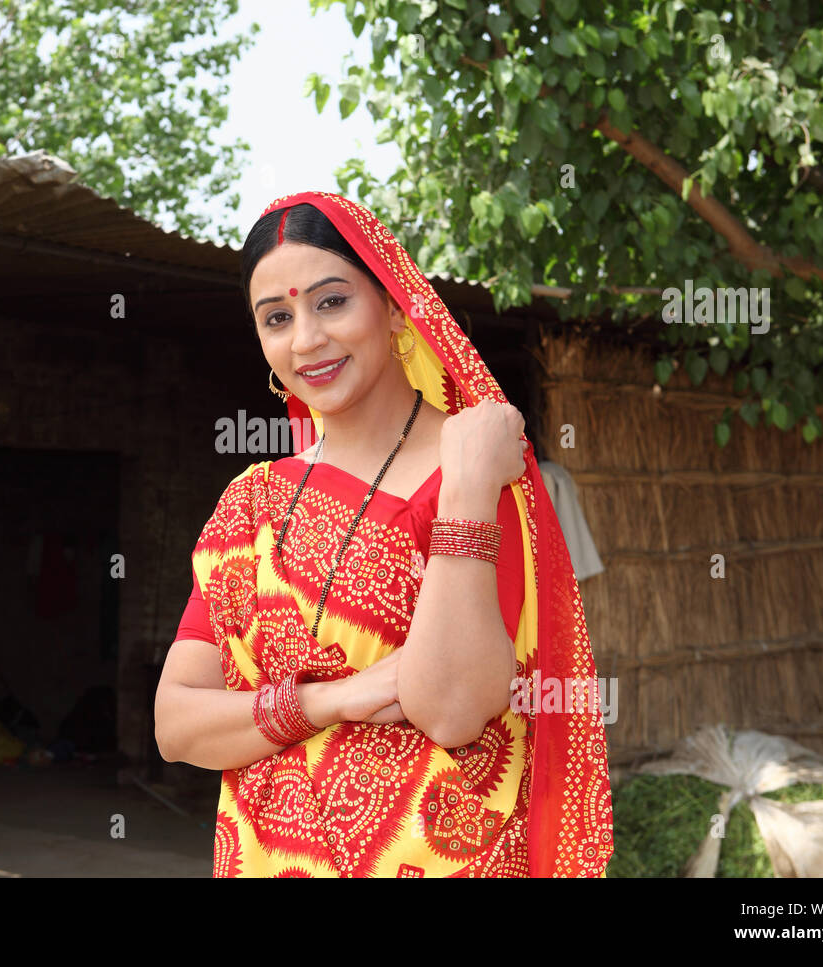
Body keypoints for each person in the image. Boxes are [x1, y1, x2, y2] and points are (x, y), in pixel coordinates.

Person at [154, 191, 613, 877]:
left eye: (332, 302)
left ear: (397, 307)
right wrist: (332, 698)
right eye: (277, 317)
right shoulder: (250, 503)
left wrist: (465, 492)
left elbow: (453, 711)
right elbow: (176, 726)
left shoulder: (477, 476)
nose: (306, 339)